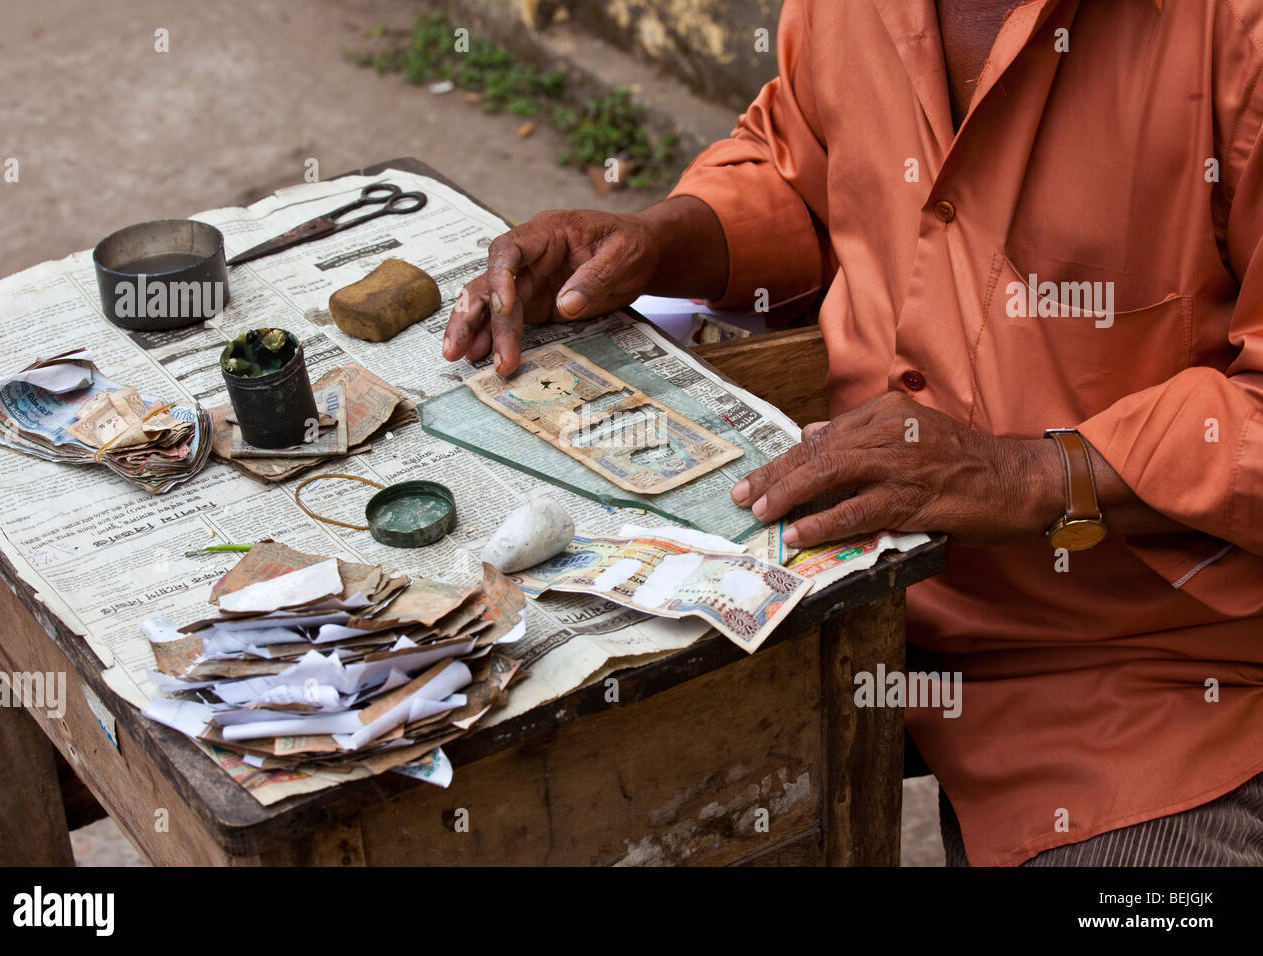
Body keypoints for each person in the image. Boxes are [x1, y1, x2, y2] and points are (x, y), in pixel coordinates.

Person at [442, 0, 1263, 866]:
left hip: (1140, 671)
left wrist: (1027, 475)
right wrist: (659, 240)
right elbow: (808, 178)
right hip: (846, 588)